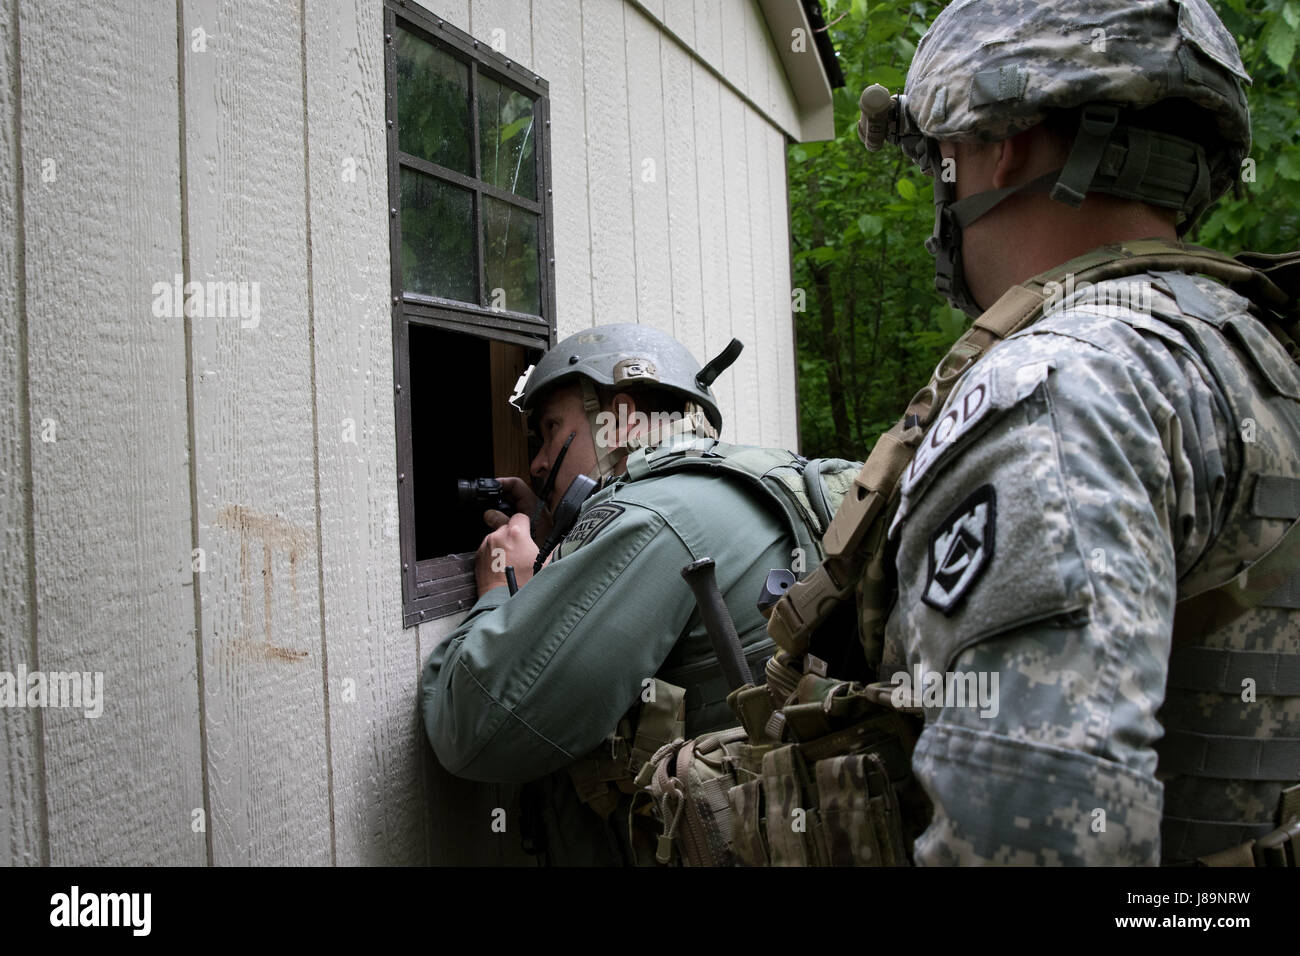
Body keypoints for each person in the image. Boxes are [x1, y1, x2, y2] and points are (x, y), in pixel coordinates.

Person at [758, 0, 1300, 866]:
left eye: (942, 156)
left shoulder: (1057, 387)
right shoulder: (1260, 353)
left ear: (998, 142)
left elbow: (1033, 838)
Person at [420, 323, 857, 865]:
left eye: (551, 430)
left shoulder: (648, 520)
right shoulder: (760, 478)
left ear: (622, 418)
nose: (535, 463)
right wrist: (555, 534)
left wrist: (497, 589)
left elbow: (470, 728)